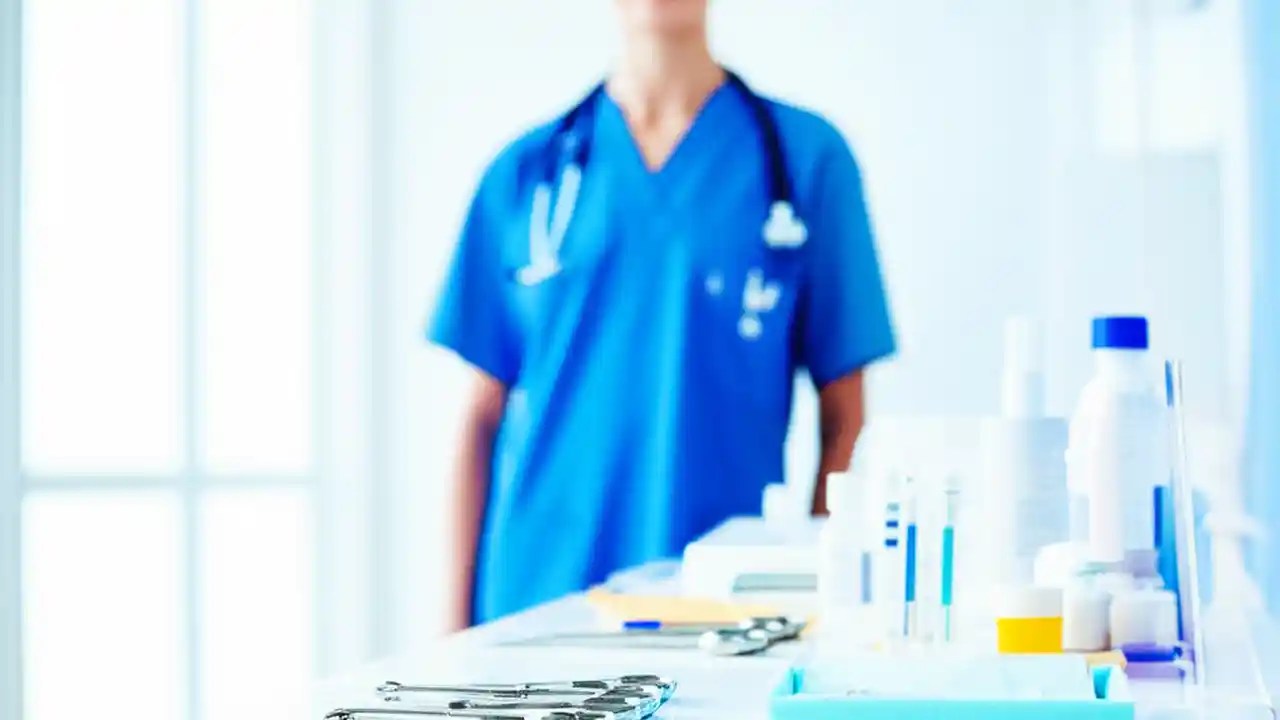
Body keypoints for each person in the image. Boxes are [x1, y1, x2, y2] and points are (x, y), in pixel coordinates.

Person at [429, 0, 895, 629]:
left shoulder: (805, 161)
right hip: (533, 604)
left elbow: (844, 416)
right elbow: (479, 420)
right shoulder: (526, 173)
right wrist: (454, 635)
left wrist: (815, 598)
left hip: (721, 609)